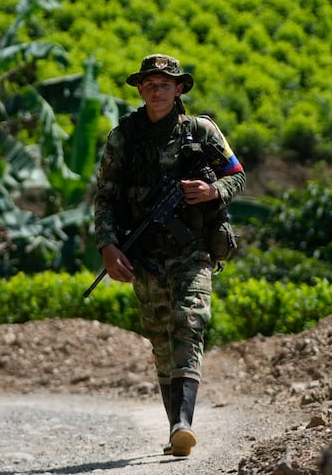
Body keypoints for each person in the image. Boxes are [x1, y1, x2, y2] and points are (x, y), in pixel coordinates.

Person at [92, 53, 246, 458]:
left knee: (189, 321)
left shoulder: (202, 131)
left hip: (192, 248)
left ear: (179, 89)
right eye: (149, 83)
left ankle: (184, 423)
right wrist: (108, 246)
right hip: (144, 254)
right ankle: (175, 426)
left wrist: (214, 192)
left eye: (165, 83)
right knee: (161, 338)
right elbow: (105, 197)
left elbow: (237, 173)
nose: (156, 89)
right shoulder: (123, 137)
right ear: (140, 90)